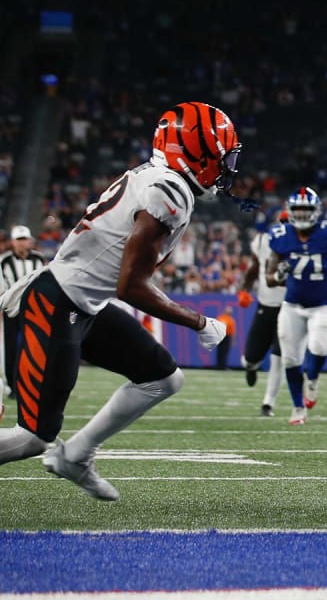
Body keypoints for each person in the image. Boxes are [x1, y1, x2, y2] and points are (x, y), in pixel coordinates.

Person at [0, 101, 239, 500]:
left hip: (84, 302)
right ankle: (64, 453)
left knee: (163, 377)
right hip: (56, 302)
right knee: (33, 438)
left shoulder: (159, 178)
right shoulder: (170, 191)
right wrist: (199, 322)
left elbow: (126, 280)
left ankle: (75, 456)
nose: (226, 166)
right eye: (220, 155)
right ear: (194, 151)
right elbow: (131, 287)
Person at [264, 187, 327, 426]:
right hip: (293, 303)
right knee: (290, 359)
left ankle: (312, 378)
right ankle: (298, 408)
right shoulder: (280, 235)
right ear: (290, 212)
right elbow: (269, 278)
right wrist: (279, 275)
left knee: (319, 347)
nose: (301, 215)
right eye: (297, 210)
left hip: (325, 302)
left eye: (306, 210)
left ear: (316, 211)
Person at [239, 211, 287, 416]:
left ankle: (268, 403)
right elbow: (255, 267)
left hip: (289, 308)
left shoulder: (305, 245)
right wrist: (244, 289)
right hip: (266, 305)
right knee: (251, 357)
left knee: (279, 355)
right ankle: (251, 367)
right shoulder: (261, 241)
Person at [0, 224, 47, 406]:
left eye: (24, 239)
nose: (21, 243)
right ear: (12, 242)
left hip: (35, 308)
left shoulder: (39, 259)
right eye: (18, 240)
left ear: (29, 241)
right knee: (11, 348)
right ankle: (12, 385)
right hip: (12, 309)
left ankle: (35, 383)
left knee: (35, 347)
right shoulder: (4, 261)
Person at [214, 306, 236, 370]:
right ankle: (218, 366)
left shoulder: (231, 320)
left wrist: (233, 340)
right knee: (219, 351)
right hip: (220, 336)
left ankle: (223, 366)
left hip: (227, 336)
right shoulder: (220, 318)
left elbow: (232, 332)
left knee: (225, 352)